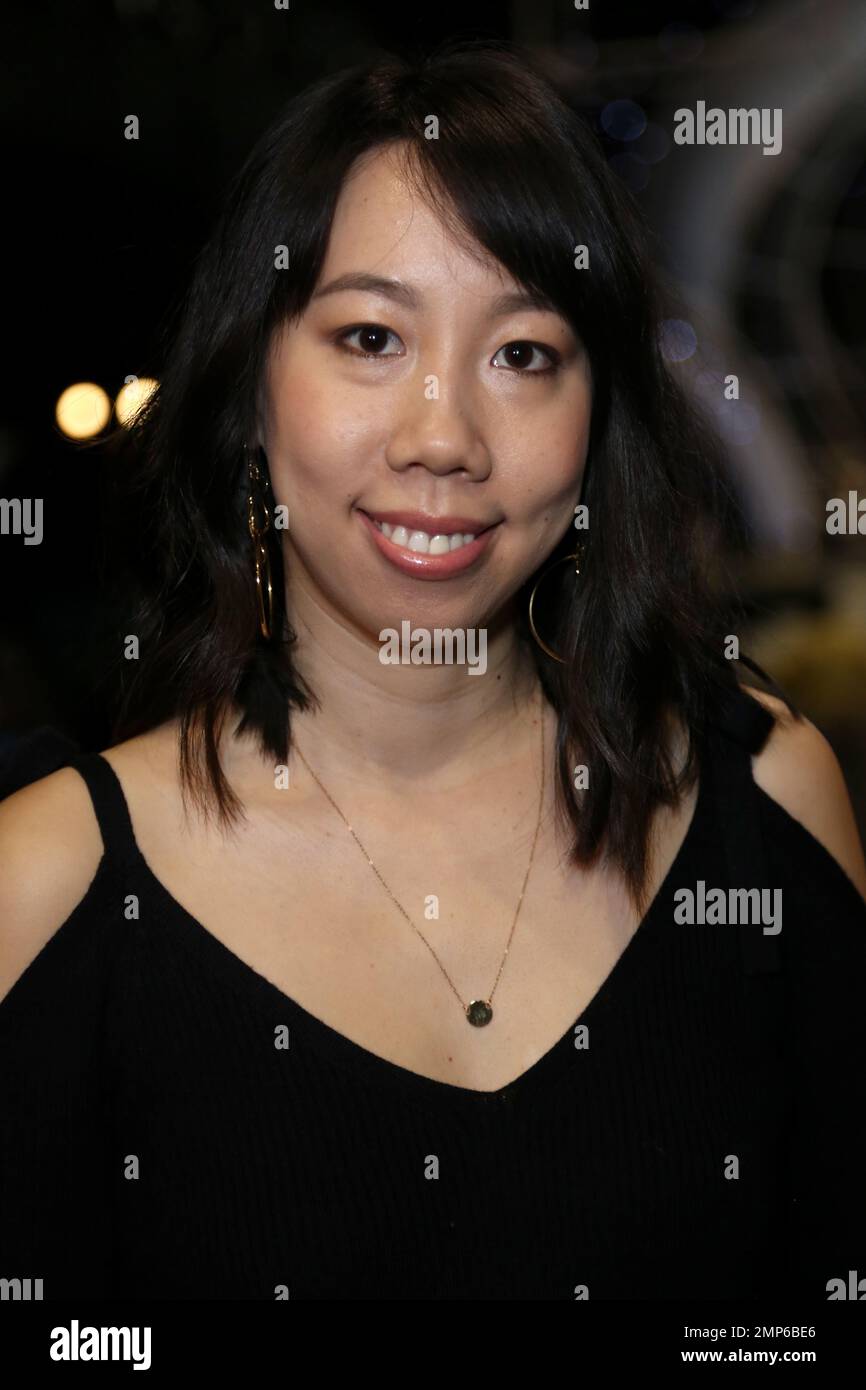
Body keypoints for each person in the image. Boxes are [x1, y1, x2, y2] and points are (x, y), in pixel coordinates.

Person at [1, 41, 865, 1302]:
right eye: (367, 335)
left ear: (597, 416)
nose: (444, 437)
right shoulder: (51, 889)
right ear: (251, 385)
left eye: (522, 353)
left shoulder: (764, 804)